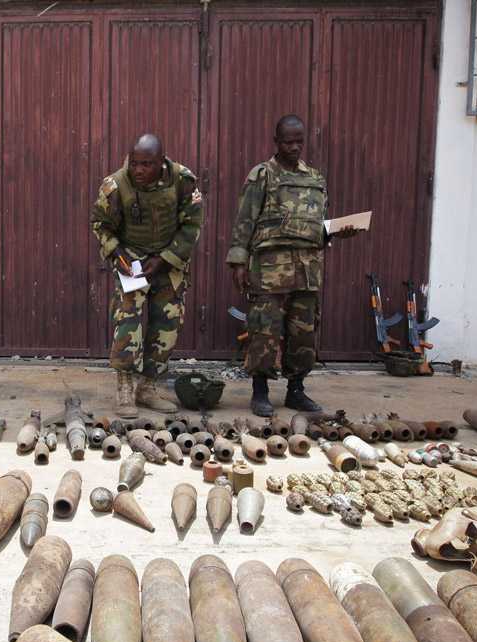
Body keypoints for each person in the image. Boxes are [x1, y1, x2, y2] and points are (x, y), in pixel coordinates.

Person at [226, 114, 358, 417]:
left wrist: (337, 231)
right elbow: (245, 220)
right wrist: (238, 262)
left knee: (304, 334)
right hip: (269, 271)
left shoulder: (315, 179)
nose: (295, 147)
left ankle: (296, 391)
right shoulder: (263, 175)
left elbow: (315, 229)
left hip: (306, 272)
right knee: (264, 332)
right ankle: (260, 392)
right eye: (288, 141)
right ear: (276, 141)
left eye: (299, 141)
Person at [91, 134, 203, 418]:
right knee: (128, 323)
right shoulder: (116, 185)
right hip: (133, 262)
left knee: (167, 324)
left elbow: (192, 225)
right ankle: (125, 389)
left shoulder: (183, 180)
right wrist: (118, 255)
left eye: (146, 164)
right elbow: (101, 224)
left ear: (161, 161)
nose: (138, 170)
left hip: (169, 261)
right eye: (135, 163)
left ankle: (148, 387)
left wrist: (165, 260)